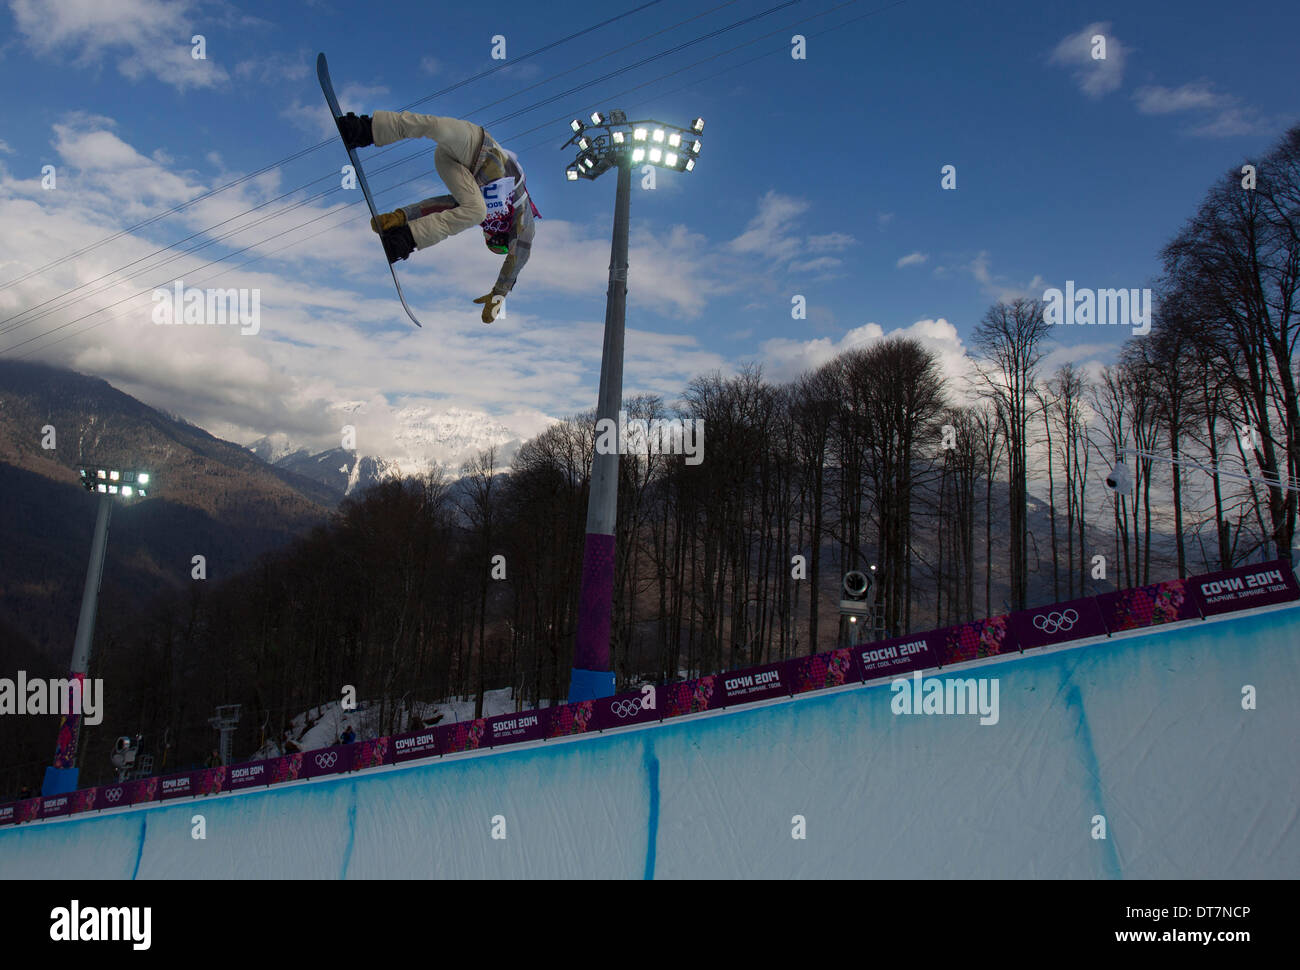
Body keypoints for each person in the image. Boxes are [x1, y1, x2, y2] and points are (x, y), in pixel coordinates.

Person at [336, 110, 538, 324]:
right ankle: (366, 129)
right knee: (435, 127)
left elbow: (442, 206)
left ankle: (405, 238)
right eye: (497, 242)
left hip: (453, 165)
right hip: (477, 143)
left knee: (476, 211)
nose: (490, 232)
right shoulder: (523, 217)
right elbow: (518, 257)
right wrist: (500, 294)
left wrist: (402, 216)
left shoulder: (480, 211)